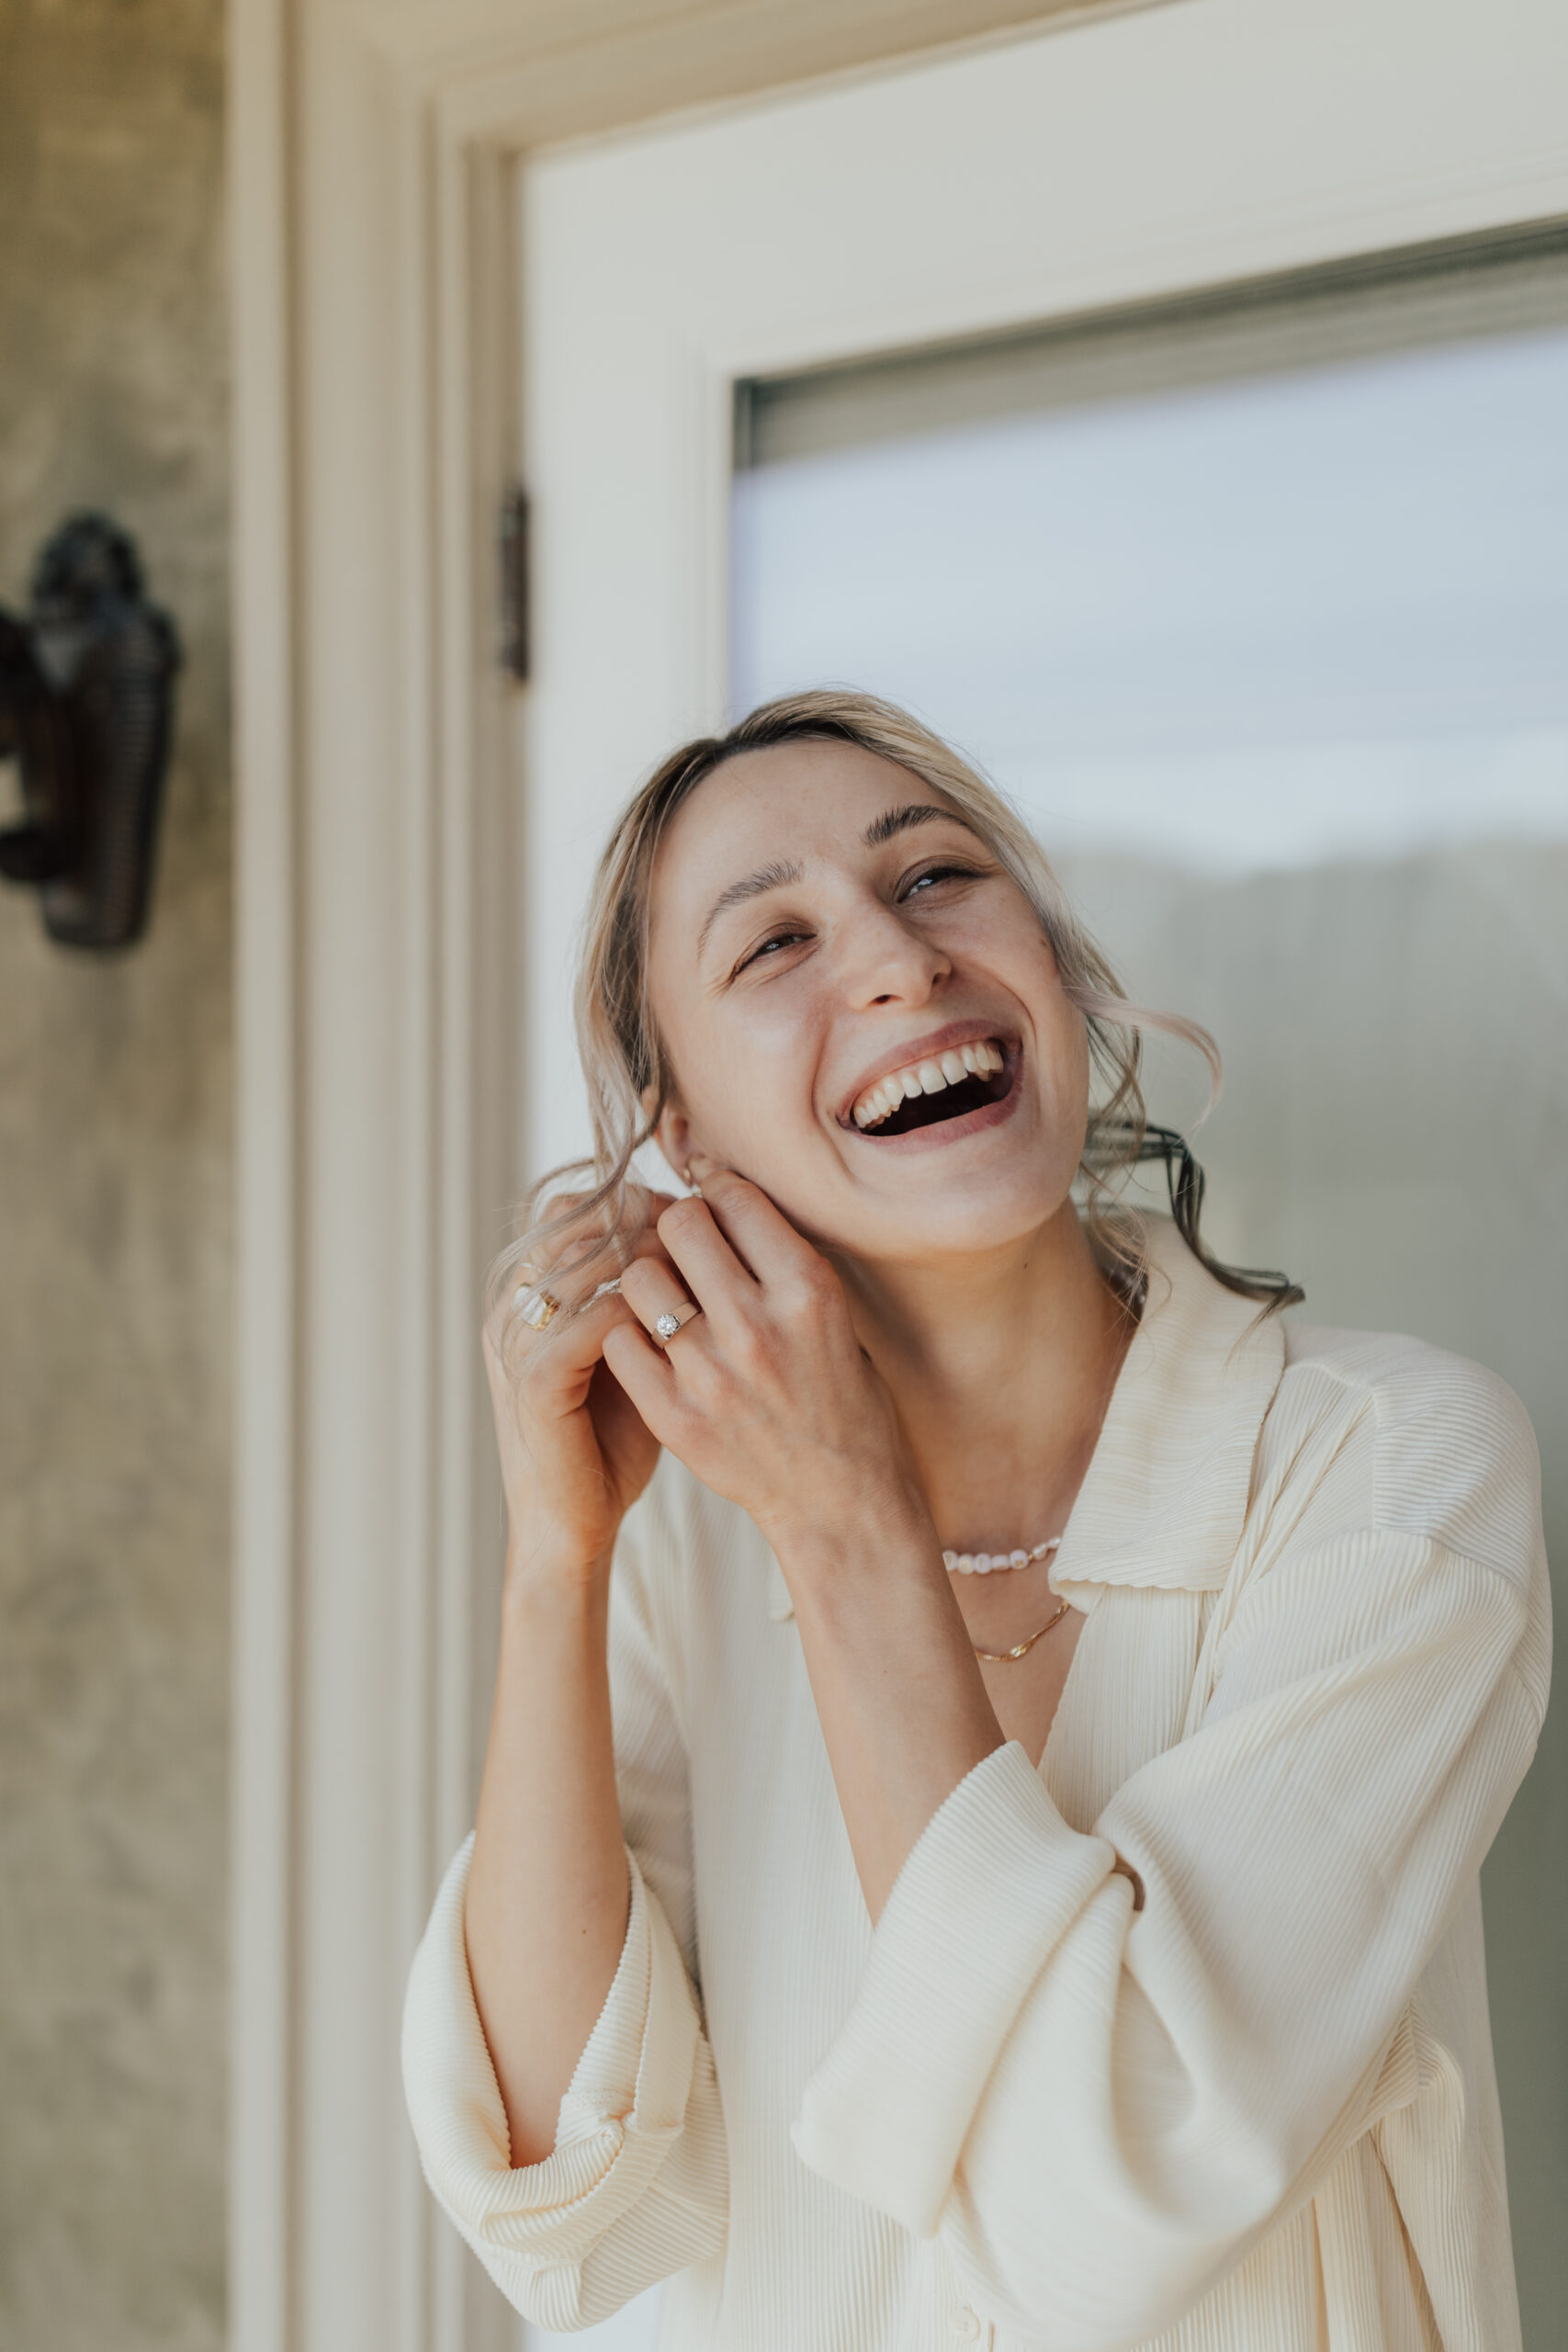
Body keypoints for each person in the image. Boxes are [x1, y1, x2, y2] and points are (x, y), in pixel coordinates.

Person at [401, 691, 1549, 2351]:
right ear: (689, 1144)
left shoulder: (1388, 1474)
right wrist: (552, 1564)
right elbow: (575, 2212)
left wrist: (844, 1513)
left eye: (936, 877)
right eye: (772, 943)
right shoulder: (682, 1548)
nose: (896, 956)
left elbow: (1096, 2206)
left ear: (1056, 973)